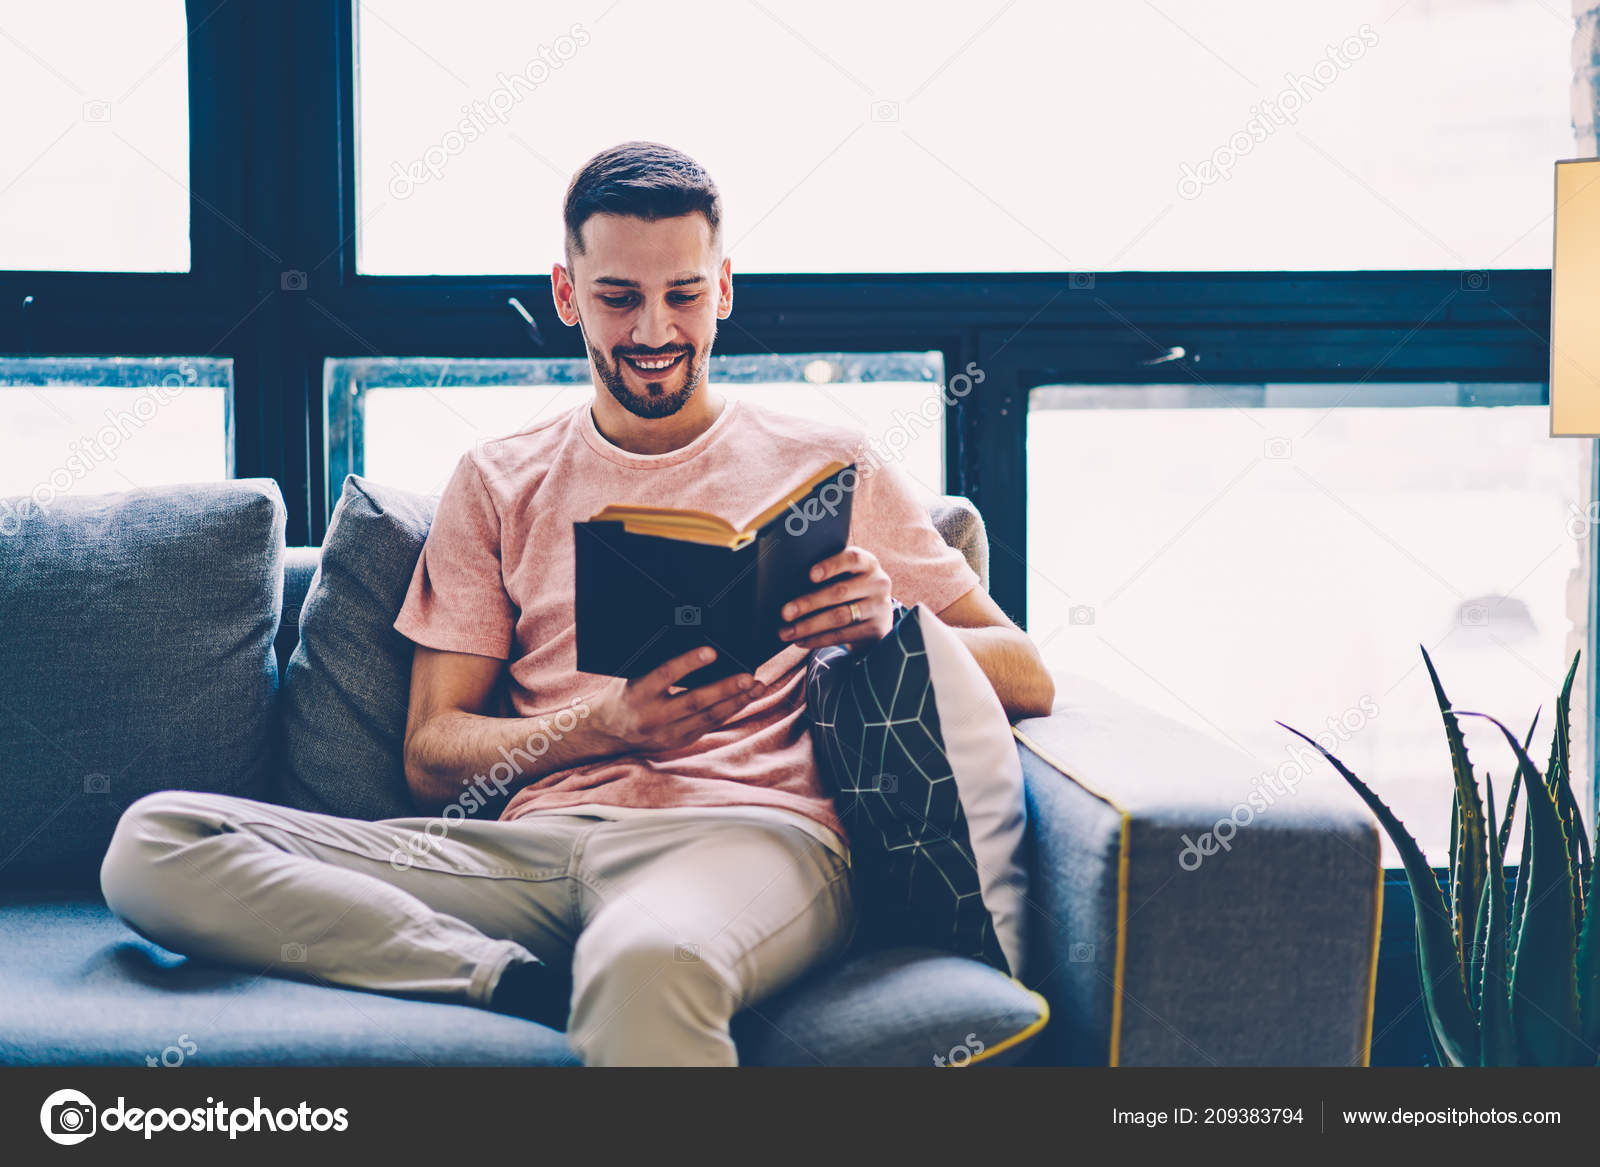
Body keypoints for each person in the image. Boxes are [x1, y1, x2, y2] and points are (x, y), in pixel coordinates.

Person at [100, 141, 1056, 1066]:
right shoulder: (498, 480)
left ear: (723, 289)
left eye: (684, 294)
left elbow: (1028, 675)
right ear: (568, 297)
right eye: (618, 297)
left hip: (749, 837)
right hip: (531, 852)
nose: (652, 332)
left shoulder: (830, 465)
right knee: (156, 841)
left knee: (648, 961)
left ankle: (593, 978)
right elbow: (433, 758)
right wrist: (603, 723)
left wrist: (895, 622)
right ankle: (507, 984)